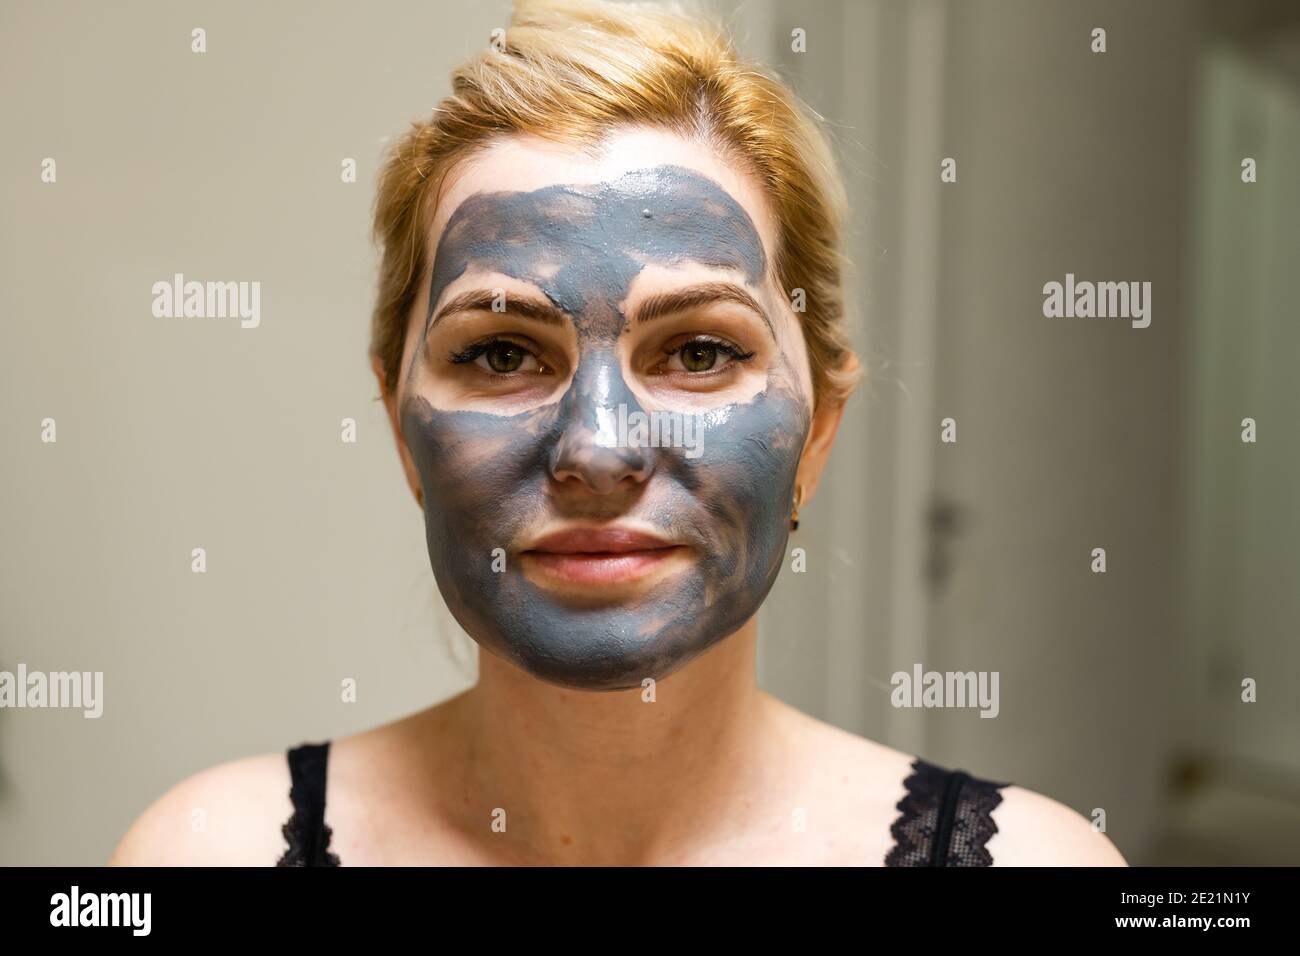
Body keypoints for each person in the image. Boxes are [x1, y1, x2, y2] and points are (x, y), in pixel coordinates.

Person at [110, 0, 1126, 867]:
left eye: (697, 352)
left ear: (817, 432)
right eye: (502, 352)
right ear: (398, 426)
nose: (596, 451)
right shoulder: (204, 851)